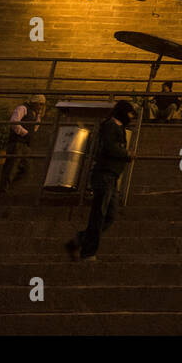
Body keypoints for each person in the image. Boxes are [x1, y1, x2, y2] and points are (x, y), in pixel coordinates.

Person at [66, 99, 136, 261]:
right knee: (99, 214)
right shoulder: (110, 126)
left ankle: (79, 241)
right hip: (104, 176)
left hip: (111, 177)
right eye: (130, 113)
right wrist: (126, 154)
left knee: (109, 215)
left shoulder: (118, 127)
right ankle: (88, 252)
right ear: (123, 112)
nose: (132, 117)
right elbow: (109, 147)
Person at [0, 94, 46, 194]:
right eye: (40, 104)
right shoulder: (23, 108)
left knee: (27, 168)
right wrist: (25, 133)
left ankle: (10, 188)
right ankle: (4, 190)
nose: (41, 106)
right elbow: (14, 122)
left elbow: (36, 127)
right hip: (17, 142)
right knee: (11, 167)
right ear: (34, 102)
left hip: (26, 144)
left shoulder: (36, 114)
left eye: (43, 105)